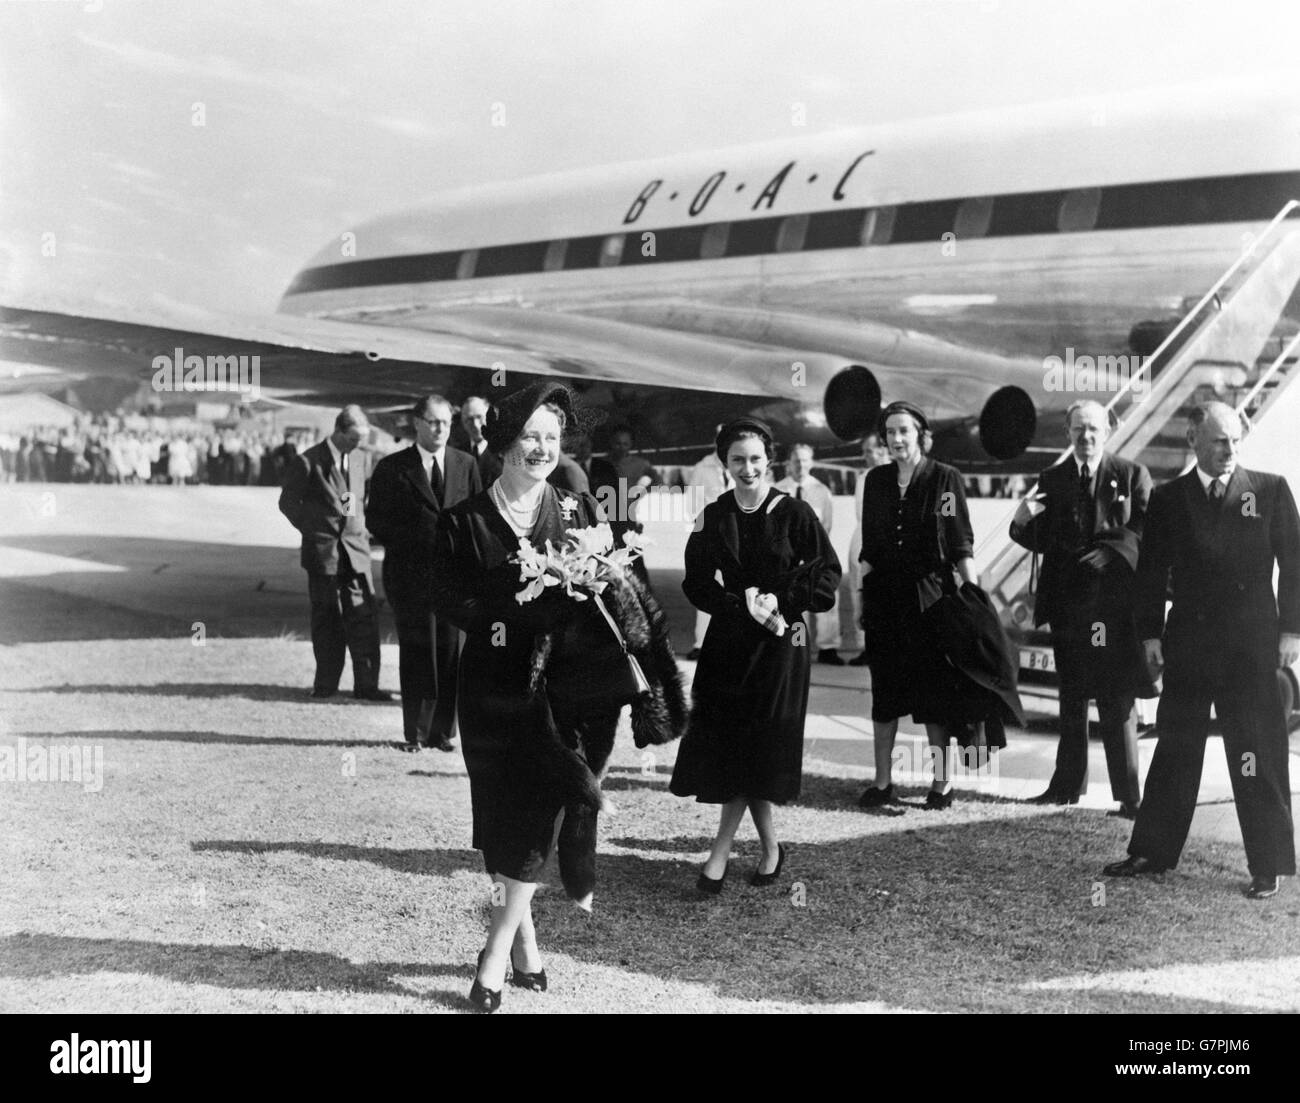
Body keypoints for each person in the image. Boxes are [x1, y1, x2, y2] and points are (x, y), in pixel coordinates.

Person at [431, 382, 628, 1013]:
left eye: (552, 437)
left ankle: (492, 957)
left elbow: (610, 592)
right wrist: (508, 612)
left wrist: (594, 581)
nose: (543, 448)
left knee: (540, 817)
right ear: (505, 442)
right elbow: (446, 598)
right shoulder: (464, 522)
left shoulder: (576, 511)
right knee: (500, 820)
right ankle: (526, 941)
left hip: (558, 696)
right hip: (490, 693)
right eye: (531, 437)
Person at [1103, 402, 1300, 899]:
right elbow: (1149, 572)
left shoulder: (1270, 490)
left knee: (1255, 751)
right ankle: (1151, 850)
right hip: (1189, 644)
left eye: (1234, 440)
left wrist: (1292, 632)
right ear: (1193, 440)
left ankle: (1268, 863)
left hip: (1251, 649)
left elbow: (1296, 565)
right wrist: (1149, 635)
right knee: (1176, 747)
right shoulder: (1169, 499)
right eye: (1217, 440)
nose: (1229, 449)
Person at [669, 417, 841, 891]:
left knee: (757, 750)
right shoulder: (713, 516)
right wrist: (734, 604)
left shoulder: (795, 513)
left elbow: (827, 577)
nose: (748, 468)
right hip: (729, 645)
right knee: (736, 750)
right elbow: (695, 581)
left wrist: (781, 602)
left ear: (770, 461)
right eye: (737, 460)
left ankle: (718, 854)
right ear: (724, 463)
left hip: (782, 647)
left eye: (755, 460)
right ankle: (769, 849)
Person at [1010, 400, 1153, 818]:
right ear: (1068, 434)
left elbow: (1148, 526)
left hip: (1113, 609)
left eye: (1093, 429)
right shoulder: (1052, 478)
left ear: (1106, 431)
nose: (1085, 437)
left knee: (1116, 700)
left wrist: (1113, 552)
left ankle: (1129, 798)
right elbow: (1044, 538)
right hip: (1069, 606)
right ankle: (1066, 787)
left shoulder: (1131, 474)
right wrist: (1020, 522)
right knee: (1071, 699)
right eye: (1078, 430)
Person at [856, 401, 992, 811]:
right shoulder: (876, 482)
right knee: (884, 695)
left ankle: (941, 784)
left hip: (931, 603)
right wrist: (859, 595)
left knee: (933, 697)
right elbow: (871, 548)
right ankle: (882, 783)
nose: (897, 440)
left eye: (904, 431)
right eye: (890, 433)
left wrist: (973, 602)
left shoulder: (945, 480)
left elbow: (958, 544)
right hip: (884, 603)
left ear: (920, 435)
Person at [367, 395, 481, 752]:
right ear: (416, 423)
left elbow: (478, 517)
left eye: (446, 423)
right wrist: (414, 542)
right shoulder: (393, 468)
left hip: (453, 580)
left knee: (450, 655)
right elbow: (376, 521)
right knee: (417, 654)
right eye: (433, 422)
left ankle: (443, 733)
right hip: (410, 577)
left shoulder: (465, 465)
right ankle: (415, 733)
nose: (440, 429)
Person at [277, 405, 388, 701]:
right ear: (338, 432)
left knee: (364, 618)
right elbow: (288, 503)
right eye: (353, 438)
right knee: (326, 620)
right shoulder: (308, 461)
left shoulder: (360, 459)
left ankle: (367, 686)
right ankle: (325, 685)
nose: (357, 444)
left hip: (356, 552)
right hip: (323, 555)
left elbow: (355, 500)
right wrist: (314, 530)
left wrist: (354, 526)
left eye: (360, 439)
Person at [775, 442, 842, 665]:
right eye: (796, 460)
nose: (800, 465)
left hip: (815, 556)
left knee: (823, 599)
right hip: (790, 558)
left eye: (804, 460)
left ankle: (828, 647)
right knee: (794, 605)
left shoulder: (822, 491)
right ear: (788, 463)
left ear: (811, 463)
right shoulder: (778, 490)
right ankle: (798, 647)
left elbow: (828, 524)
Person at [683, 428, 732, 661]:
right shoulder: (703, 468)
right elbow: (693, 504)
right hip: (711, 538)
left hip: (739, 539)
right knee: (707, 589)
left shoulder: (739, 464)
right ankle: (701, 643)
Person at [590, 425, 660, 587]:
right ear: (610, 443)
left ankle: (643, 594)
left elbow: (655, 479)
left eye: (625, 444)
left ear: (631, 445)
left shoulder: (640, 463)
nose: (621, 447)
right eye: (617, 443)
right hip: (605, 516)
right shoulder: (601, 463)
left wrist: (641, 490)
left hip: (628, 516)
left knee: (633, 558)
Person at [847, 432, 891, 665]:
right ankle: (864, 646)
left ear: (882, 450)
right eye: (863, 451)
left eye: (869, 451)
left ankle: (884, 647)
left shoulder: (894, 475)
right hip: (861, 535)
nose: (865, 456)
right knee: (859, 592)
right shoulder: (863, 477)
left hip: (884, 539)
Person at [459, 395, 503, 485]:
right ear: (463, 423)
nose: (475, 424)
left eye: (479, 417)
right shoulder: (457, 453)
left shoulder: (505, 450)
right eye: (469, 419)